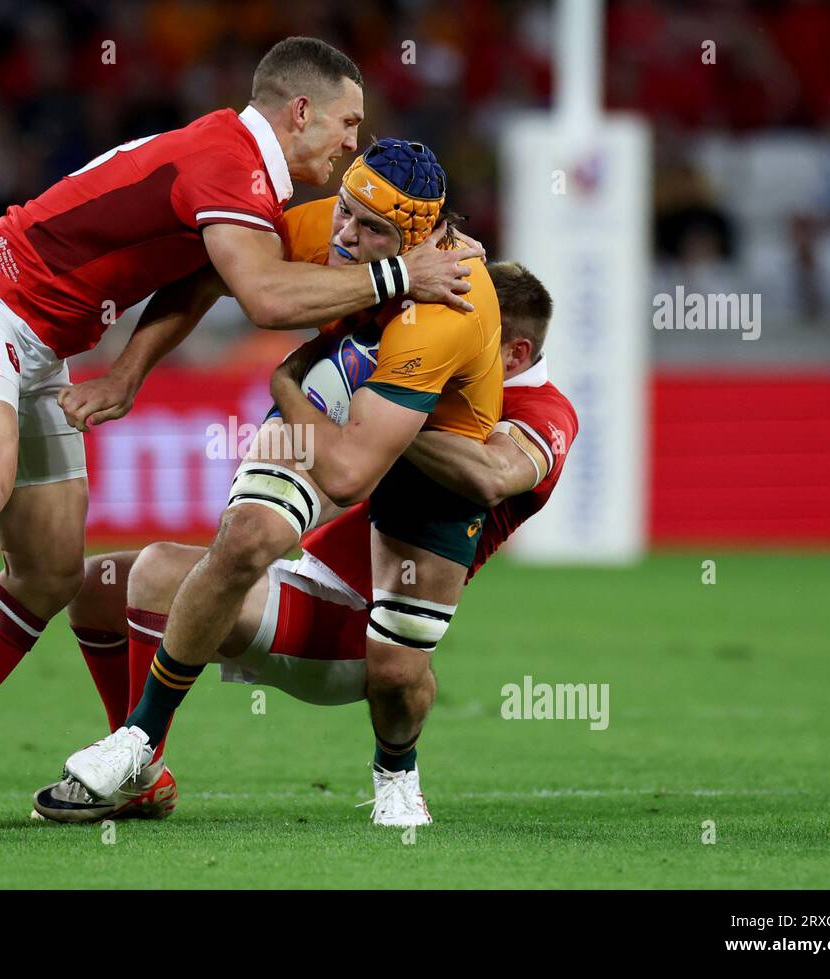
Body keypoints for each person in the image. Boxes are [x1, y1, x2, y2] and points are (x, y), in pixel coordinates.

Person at [0, 36, 482, 834]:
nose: (355, 141)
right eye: (348, 122)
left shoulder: (249, 179)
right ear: (301, 111)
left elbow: (202, 279)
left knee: (51, 573)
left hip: (42, 344)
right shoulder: (234, 161)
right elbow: (258, 293)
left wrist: (127, 373)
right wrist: (400, 275)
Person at [61, 137, 508, 826]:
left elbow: (352, 470)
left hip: (430, 462)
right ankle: (139, 737)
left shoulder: (447, 309)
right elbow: (210, 274)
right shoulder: (329, 220)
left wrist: (283, 383)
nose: (345, 234)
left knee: (393, 674)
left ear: (418, 242)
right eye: (347, 212)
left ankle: (396, 769)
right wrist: (128, 371)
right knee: (247, 536)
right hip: (336, 388)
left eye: (371, 230)